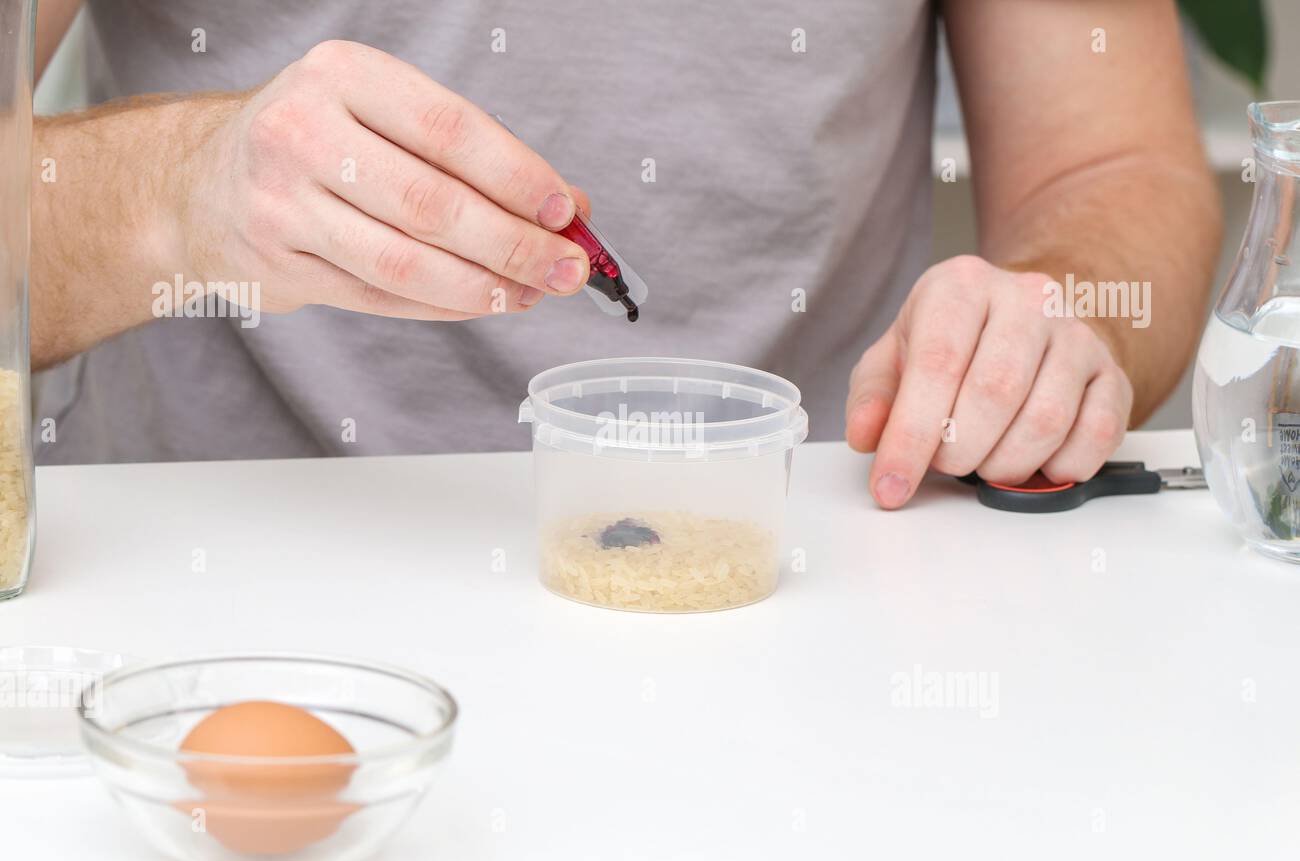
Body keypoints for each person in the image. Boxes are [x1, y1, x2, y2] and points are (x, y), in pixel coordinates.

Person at [30, 0, 1221, 510]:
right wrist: (175, 193)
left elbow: (1111, 169)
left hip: (817, 582)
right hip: (221, 627)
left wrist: (1051, 322)